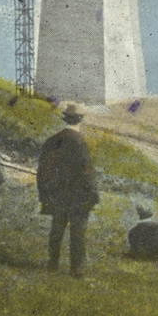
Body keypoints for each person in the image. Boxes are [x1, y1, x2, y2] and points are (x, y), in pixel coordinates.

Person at [38, 103, 100, 276]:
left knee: (56, 228)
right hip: (78, 196)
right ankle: (76, 269)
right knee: (78, 232)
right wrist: (93, 195)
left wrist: (44, 194)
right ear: (81, 120)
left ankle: (53, 263)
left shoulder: (51, 141)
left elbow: (42, 171)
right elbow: (86, 173)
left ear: (65, 118)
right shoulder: (80, 143)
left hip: (57, 195)